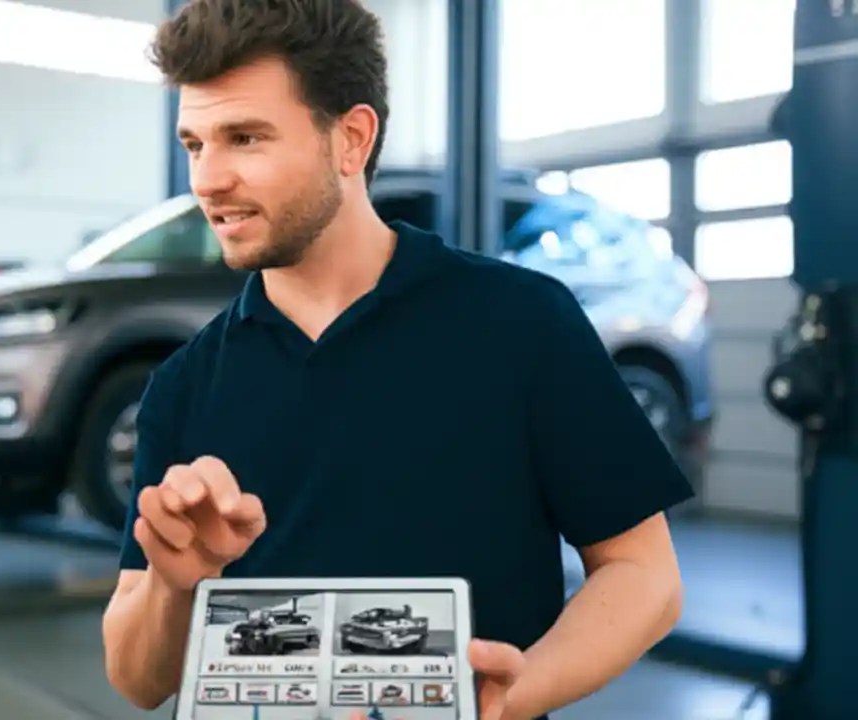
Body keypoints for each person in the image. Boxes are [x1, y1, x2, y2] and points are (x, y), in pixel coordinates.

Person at [101, 1, 691, 719]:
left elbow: (643, 574)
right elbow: (135, 679)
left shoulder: (521, 323)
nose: (207, 179)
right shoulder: (185, 384)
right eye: (195, 144)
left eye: (245, 138)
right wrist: (175, 584)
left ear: (350, 139)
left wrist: (512, 694)